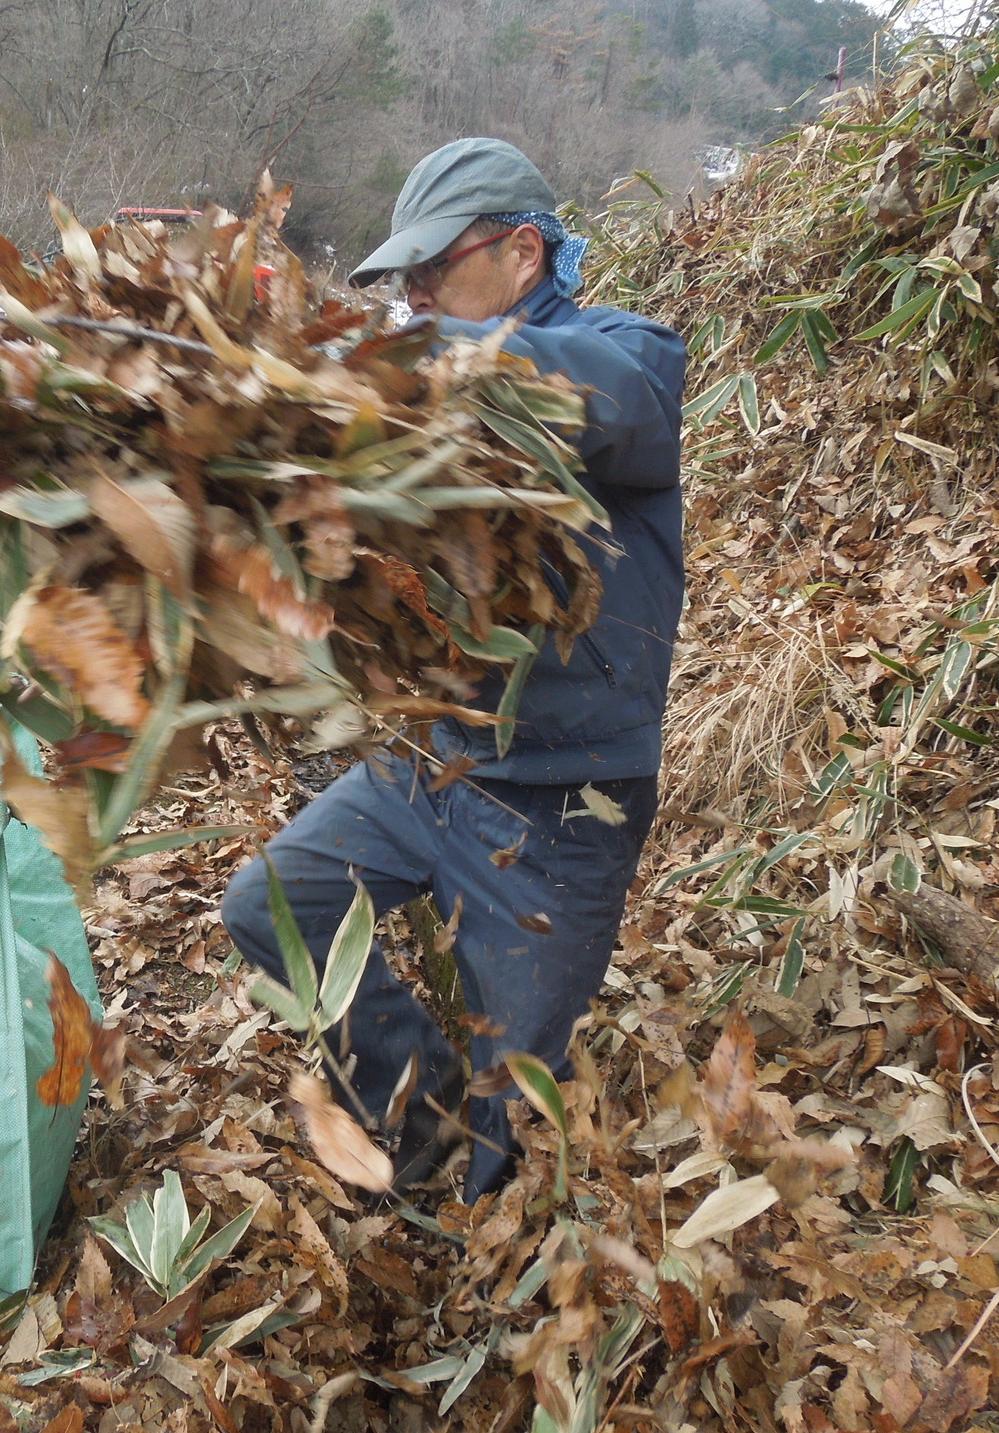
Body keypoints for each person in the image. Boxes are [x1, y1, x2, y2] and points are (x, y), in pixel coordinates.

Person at [220, 138, 687, 1201]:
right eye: (406, 281)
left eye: (436, 269)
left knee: (512, 1112)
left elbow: (603, 401)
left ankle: (486, 1256)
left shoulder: (626, 355)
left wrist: (415, 356)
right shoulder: (423, 404)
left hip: (564, 802)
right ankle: (410, 1112)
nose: (418, 295)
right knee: (273, 904)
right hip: (436, 764)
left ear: (522, 252)